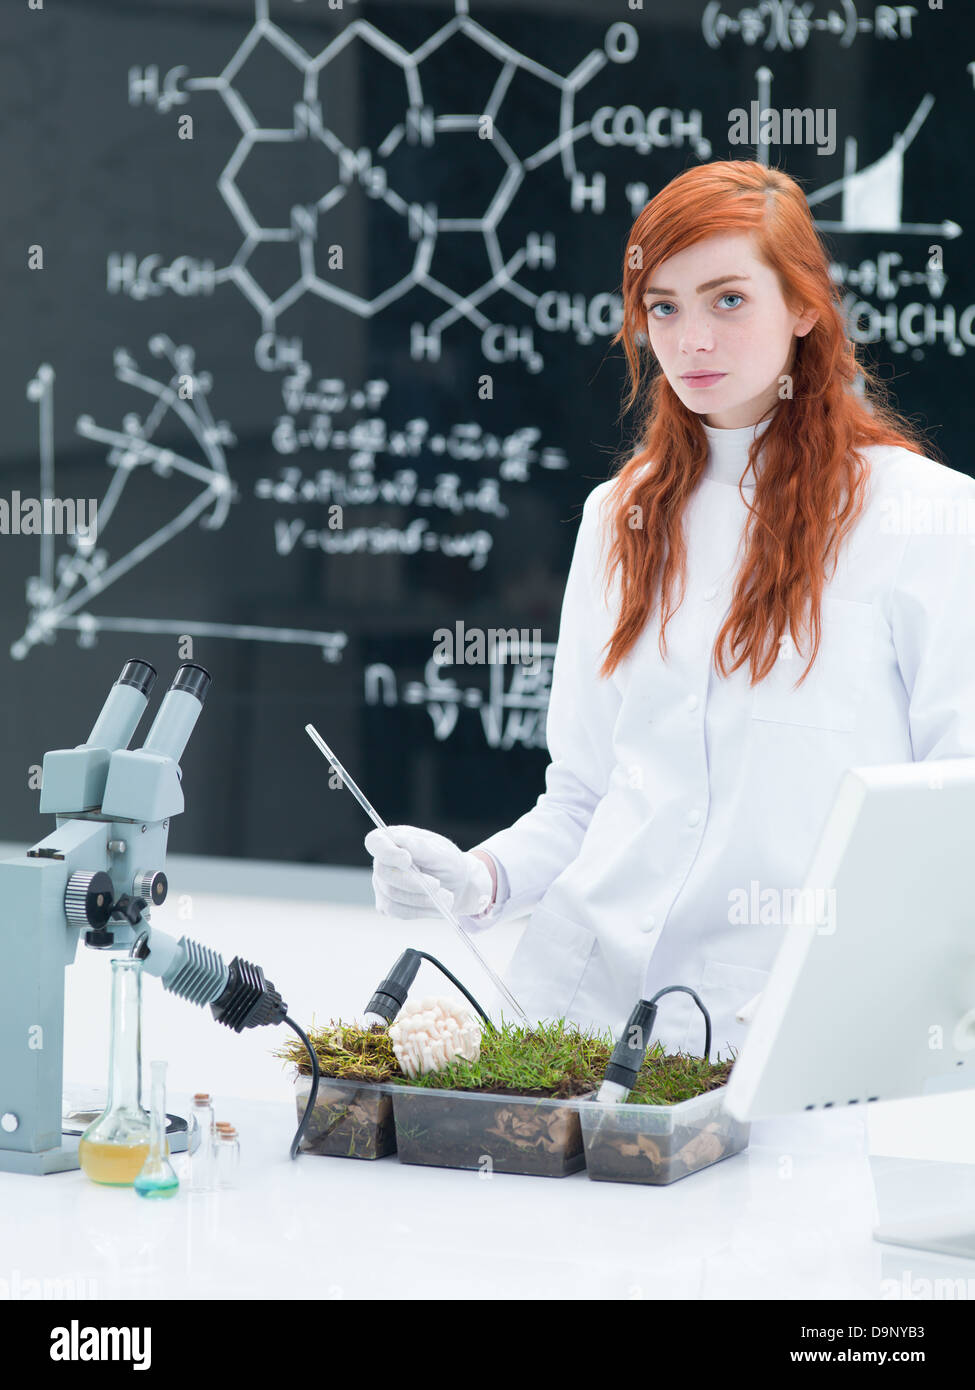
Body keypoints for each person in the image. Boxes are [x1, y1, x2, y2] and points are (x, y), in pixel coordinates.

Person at [365, 159, 975, 1063]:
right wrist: (479, 878)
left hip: (779, 1035)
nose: (691, 338)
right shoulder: (620, 514)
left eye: (728, 299)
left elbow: (949, 810)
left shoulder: (922, 514)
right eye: (663, 306)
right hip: (574, 1018)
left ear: (803, 306)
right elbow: (582, 798)